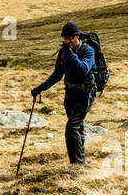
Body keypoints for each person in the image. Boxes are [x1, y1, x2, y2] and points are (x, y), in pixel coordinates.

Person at [30, 21, 96, 164]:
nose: (68, 41)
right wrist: (41, 88)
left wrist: (71, 55)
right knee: (77, 127)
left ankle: (76, 163)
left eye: (71, 38)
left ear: (77, 36)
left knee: (71, 127)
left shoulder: (88, 51)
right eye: (65, 38)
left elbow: (83, 69)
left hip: (85, 96)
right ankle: (80, 161)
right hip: (70, 96)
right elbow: (57, 75)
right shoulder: (63, 53)